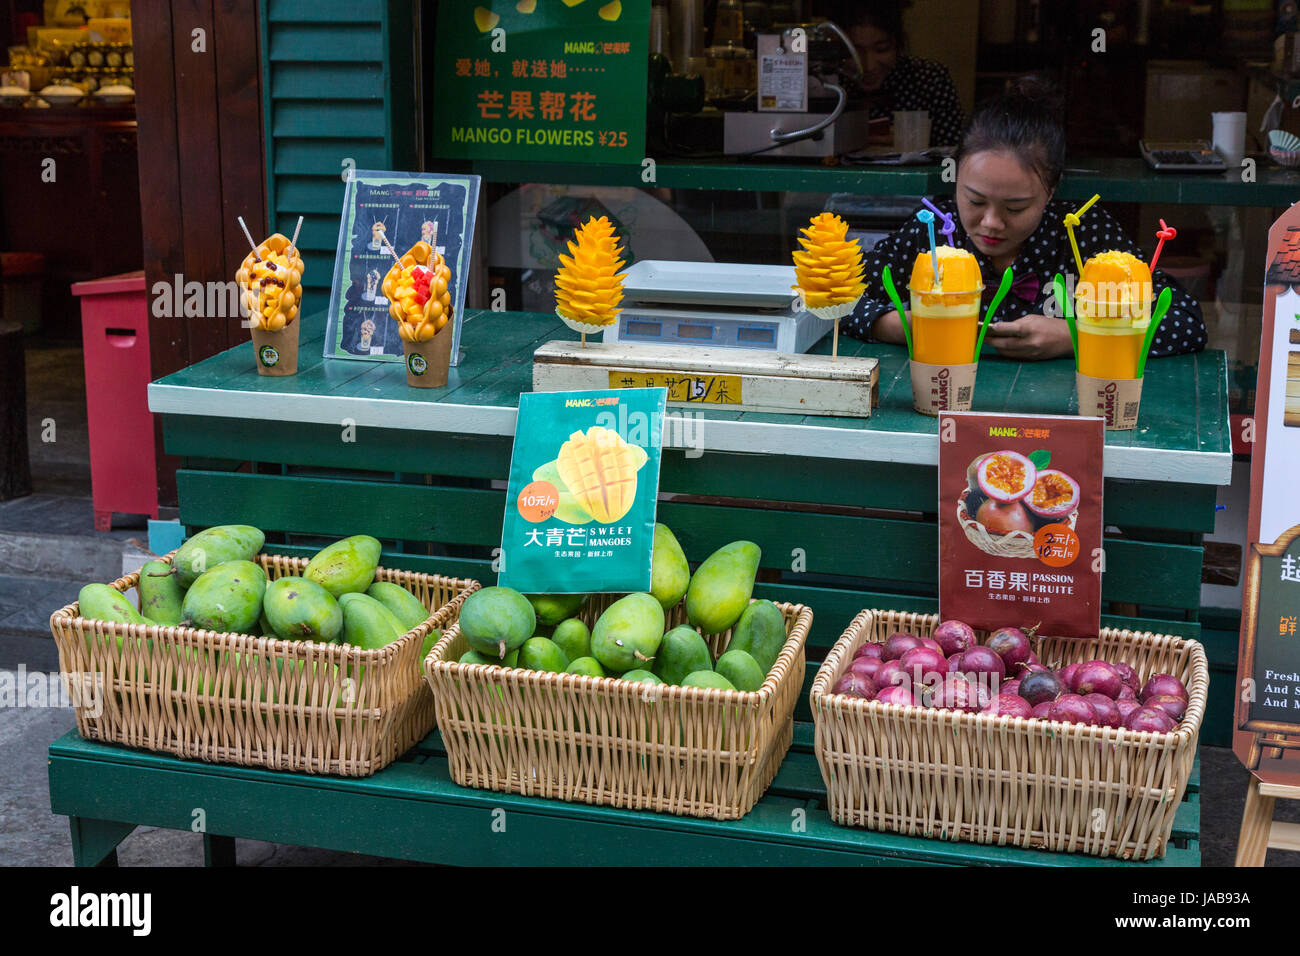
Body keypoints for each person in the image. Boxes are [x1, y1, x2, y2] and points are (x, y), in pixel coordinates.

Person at [841, 77, 1207, 360]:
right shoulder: (936, 228)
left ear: (1051, 189)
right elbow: (834, 298)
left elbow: (1184, 321)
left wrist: (1075, 336)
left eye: (1015, 208)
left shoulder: (1083, 232)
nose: (990, 223)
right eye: (975, 200)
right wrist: (902, 326)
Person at [818, 0, 964, 148]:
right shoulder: (825, 82)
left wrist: (913, 145)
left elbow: (956, 155)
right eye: (854, 52)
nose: (868, 66)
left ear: (897, 44)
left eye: (882, 49)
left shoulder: (929, 79)